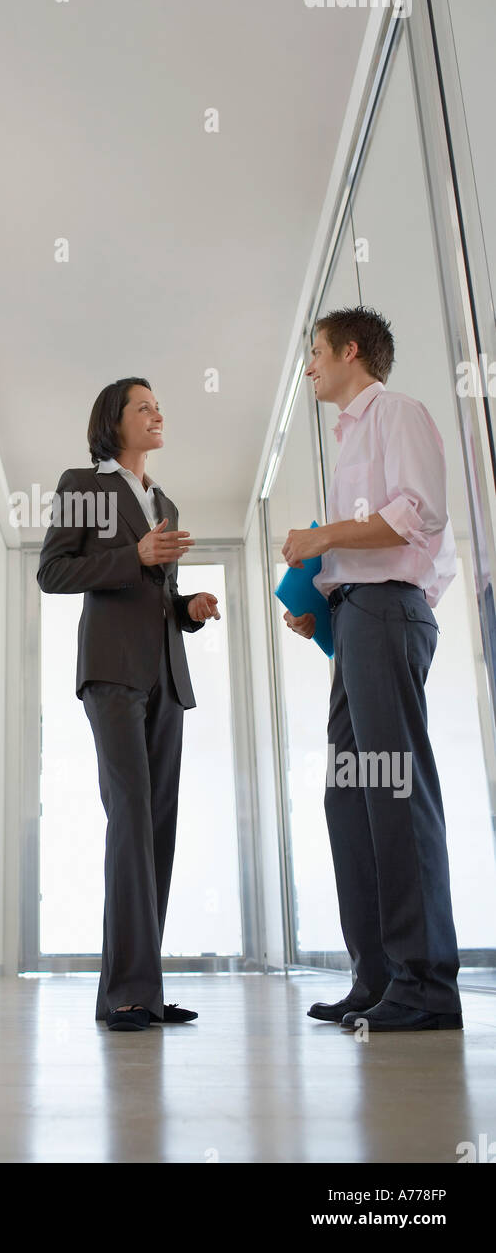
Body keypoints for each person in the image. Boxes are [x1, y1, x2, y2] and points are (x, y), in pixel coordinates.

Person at [284, 306, 462, 1032]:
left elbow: (417, 515)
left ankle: (426, 984)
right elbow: (369, 542)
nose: (310, 367)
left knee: (392, 783)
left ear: (351, 351)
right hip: (357, 617)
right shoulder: (350, 438)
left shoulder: (398, 414)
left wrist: (321, 537)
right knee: (348, 795)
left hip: (387, 613)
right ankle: (379, 975)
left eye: (317, 353)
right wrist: (322, 607)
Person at [37, 378, 219, 1031]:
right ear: (114, 421)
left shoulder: (161, 499)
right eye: (144, 406)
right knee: (131, 820)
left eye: (158, 406)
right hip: (111, 674)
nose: (157, 413)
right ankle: (131, 992)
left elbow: (156, 593)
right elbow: (53, 573)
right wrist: (131, 554)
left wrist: (188, 609)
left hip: (165, 676)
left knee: (158, 830)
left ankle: (134, 988)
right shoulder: (85, 486)